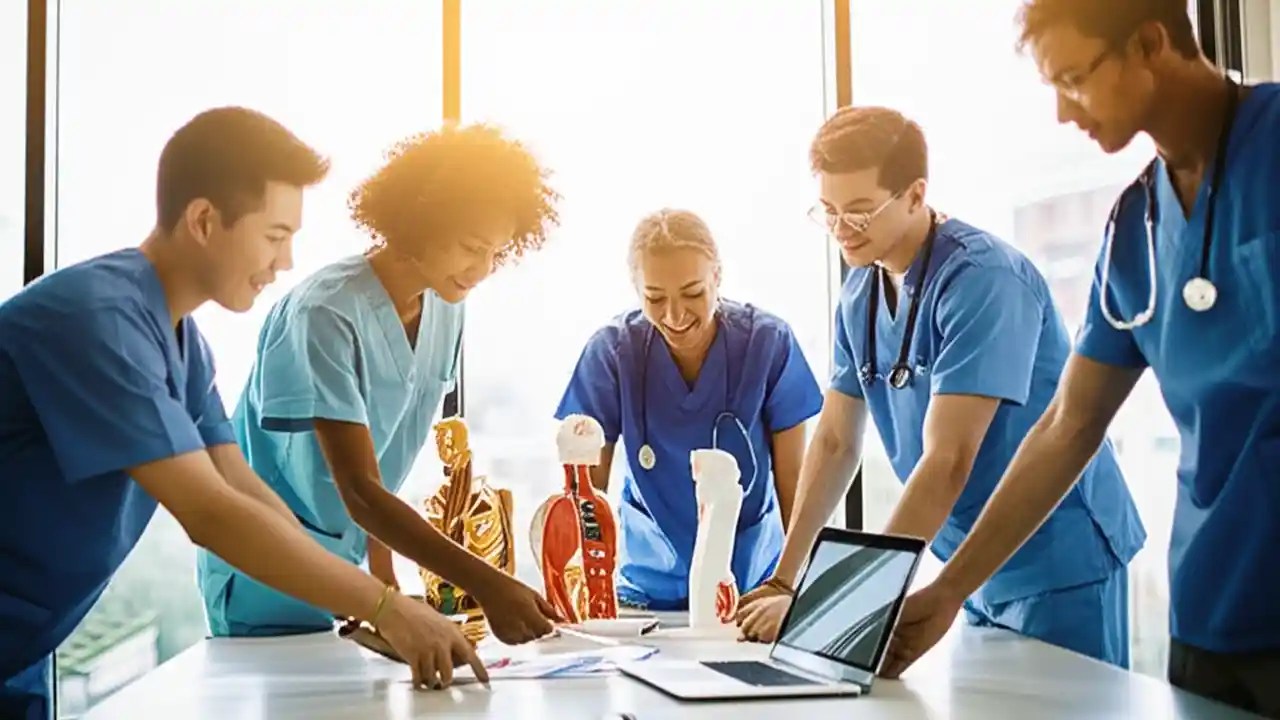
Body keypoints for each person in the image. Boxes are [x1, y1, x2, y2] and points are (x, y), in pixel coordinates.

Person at [0, 107, 491, 719]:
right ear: (204, 221)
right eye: (275, 236)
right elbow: (210, 513)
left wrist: (369, 608)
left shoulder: (182, 344)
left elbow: (243, 489)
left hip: (20, 652)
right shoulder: (99, 321)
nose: (285, 262)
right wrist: (385, 608)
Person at [880, 2, 1280, 715]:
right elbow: (1068, 425)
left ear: (1149, 44)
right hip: (1211, 613)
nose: (1064, 112)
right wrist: (949, 590)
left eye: (1073, 79)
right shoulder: (1134, 228)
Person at [734, 106, 1146, 670]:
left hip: (1058, 560)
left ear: (915, 195)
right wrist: (787, 579)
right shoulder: (860, 291)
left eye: (859, 211)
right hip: (966, 570)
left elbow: (948, 459)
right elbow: (834, 442)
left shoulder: (984, 280)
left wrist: (843, 609)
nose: (840, 229)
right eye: (828, 211)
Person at [196, 123, 565, 643]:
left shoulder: (446, 305)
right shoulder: (324, 314)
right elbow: (360, 490)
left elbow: (379, 460)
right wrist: (487, 585)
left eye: (495, 253)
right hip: (264, 574)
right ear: (421, 222)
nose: (482, 269)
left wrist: (385, 583)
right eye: (471, 247)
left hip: (348, 581)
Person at [554, 209, 823, 610]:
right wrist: (581, 596)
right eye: (655, 298)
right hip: (648, 592)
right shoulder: (613, 352)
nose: (675, 315)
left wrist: (796, 587)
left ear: (717, 276)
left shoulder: (767, 343)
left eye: (693, 293)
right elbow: (585, 491)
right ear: (636, 288)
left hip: (751, 588)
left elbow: (795, 484)